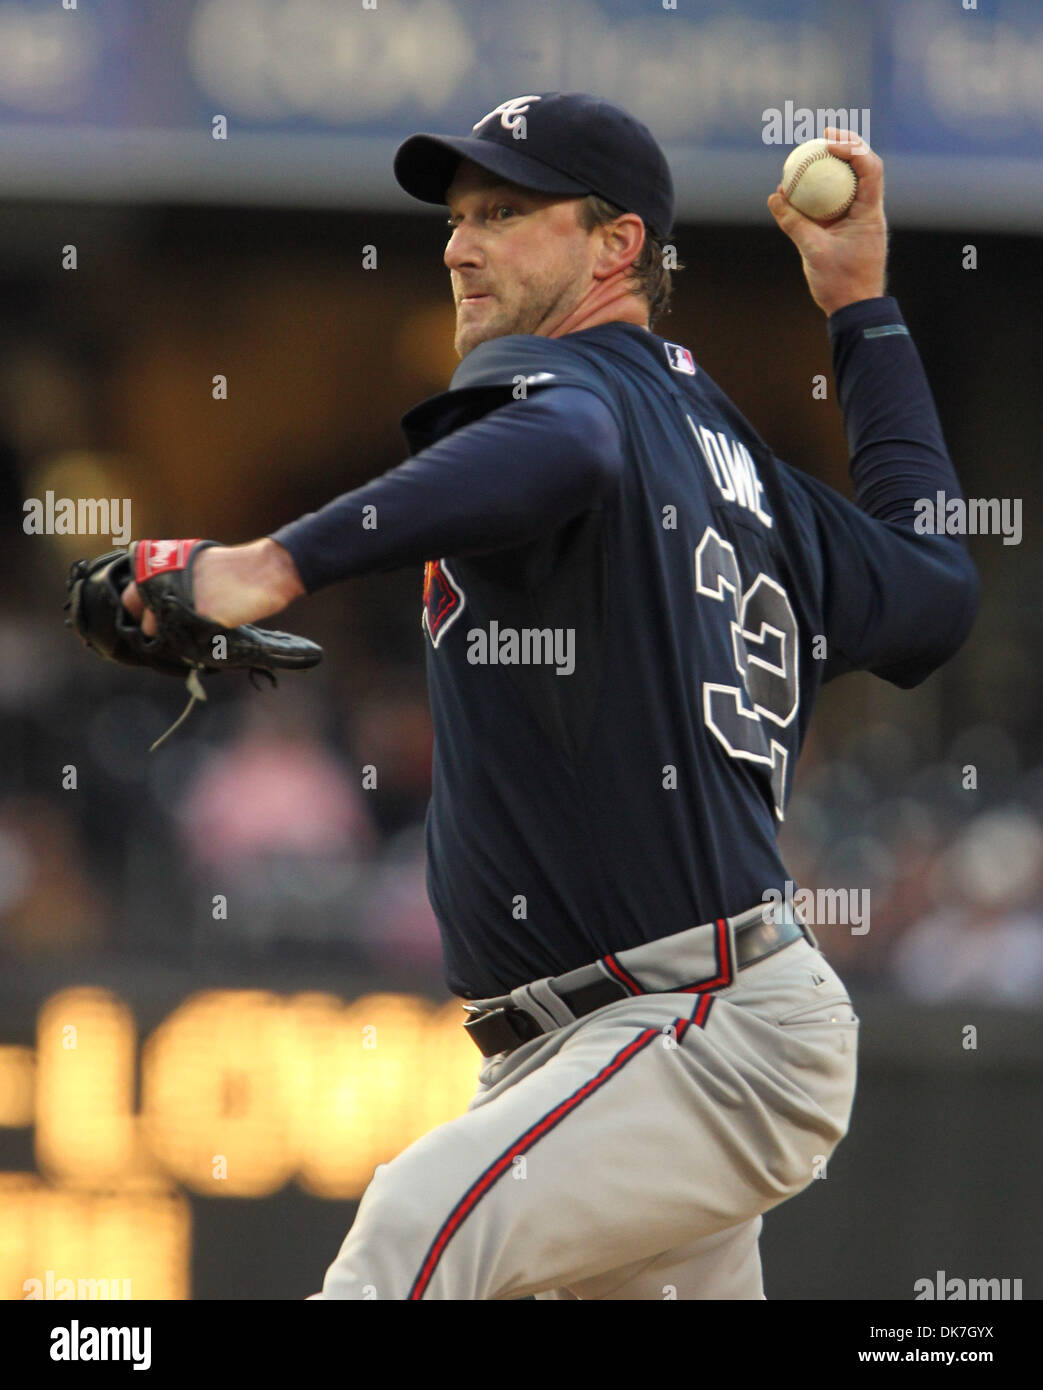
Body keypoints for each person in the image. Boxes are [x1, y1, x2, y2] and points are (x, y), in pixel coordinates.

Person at [121, 92, 978, 1299]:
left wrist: (266, 566)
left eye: (504, 213)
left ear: (613, 246)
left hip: (686, 1024)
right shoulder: (744, 471)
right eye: (457, 216)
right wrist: (860, 311)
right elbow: (935, 583)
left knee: (408, 1241)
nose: (458, 245)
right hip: (636, 1047)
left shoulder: (564, 376)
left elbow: (561, 446)